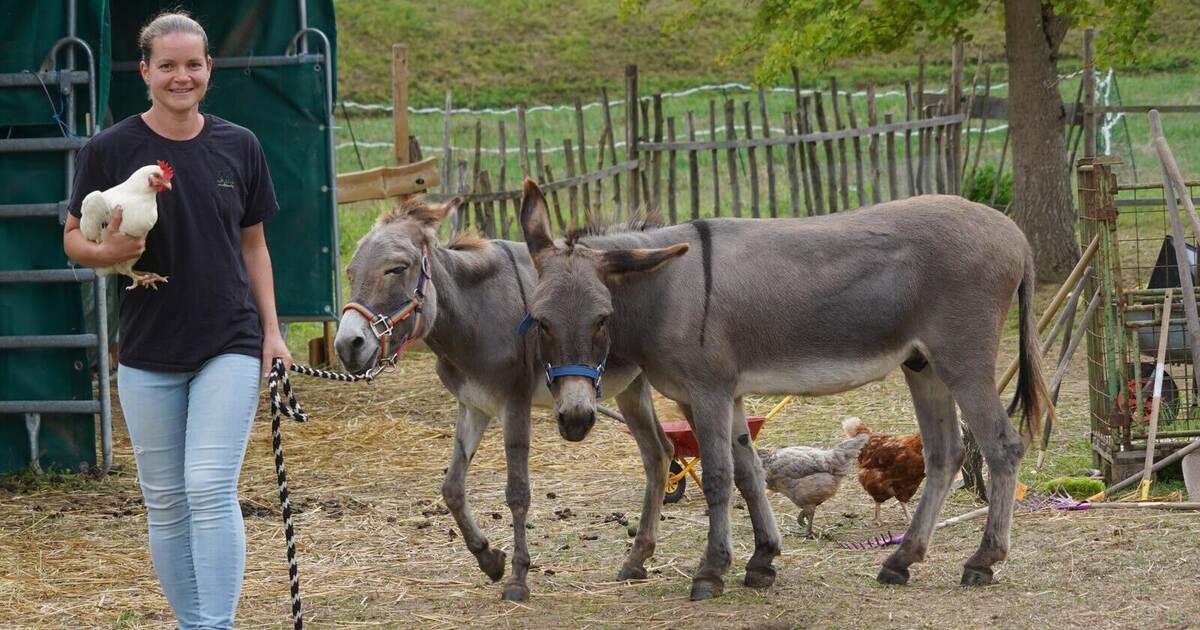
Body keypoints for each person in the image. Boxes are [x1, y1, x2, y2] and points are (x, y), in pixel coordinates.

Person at [62, 11, 291, 629]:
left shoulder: (239, 145)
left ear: (209, 69)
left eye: (192, 64)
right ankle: (195, 624)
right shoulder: (109, 149)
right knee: (165, 501)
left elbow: (254, 247)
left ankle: (214, 626)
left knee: (209, 487)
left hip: (229, 338)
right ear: (145, 71)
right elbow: (73, 239)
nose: (180, 76)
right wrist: (107, 253)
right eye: (167, 65)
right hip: (147, 345)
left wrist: (273, 333)